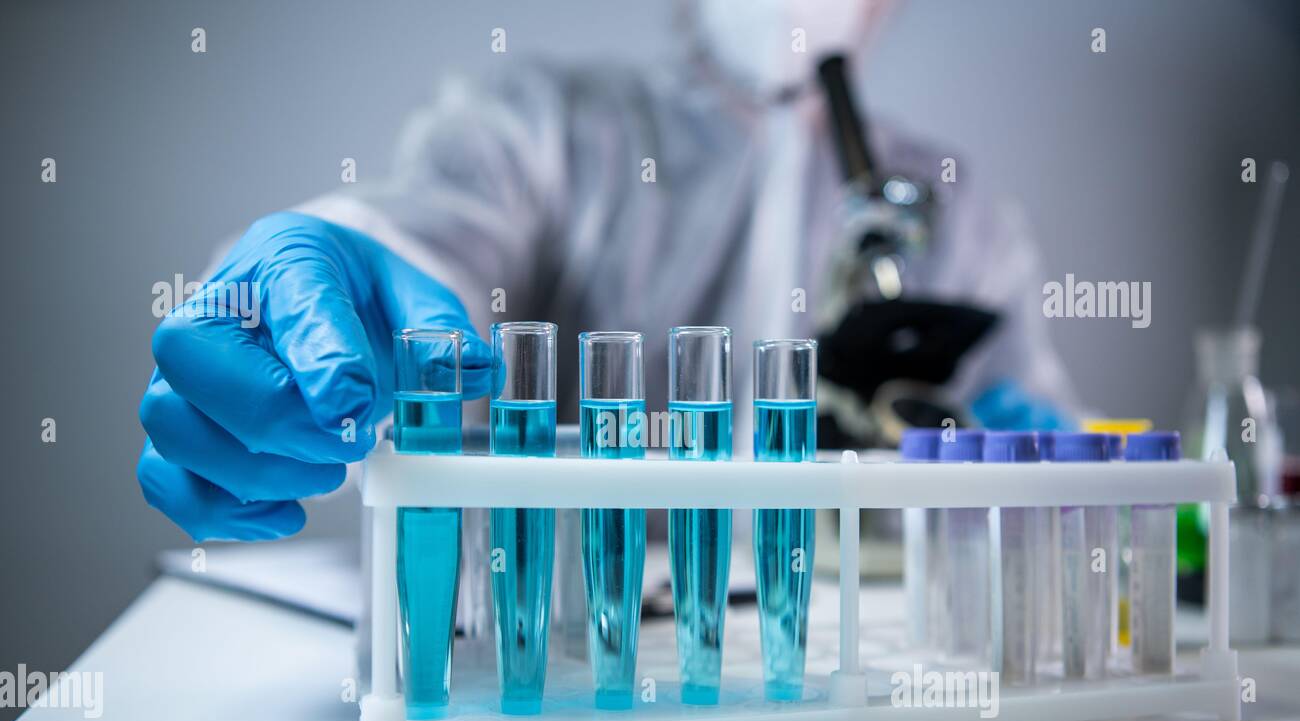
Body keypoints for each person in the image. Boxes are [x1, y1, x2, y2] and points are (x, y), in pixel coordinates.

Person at [139, 0, 1080, 541]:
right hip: (558, 662)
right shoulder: (553, 130)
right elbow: (425, 231)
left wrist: (1017, 472)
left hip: (855, 677)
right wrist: (333, 278)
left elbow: (1055, 496)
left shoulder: (952, 208)